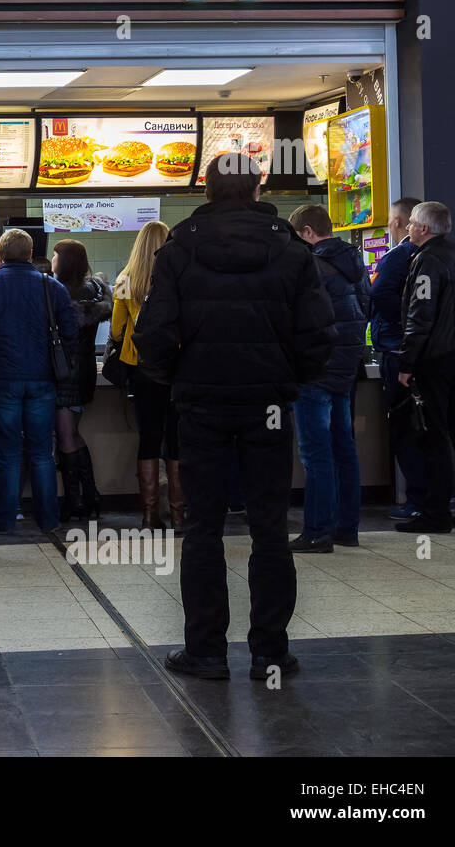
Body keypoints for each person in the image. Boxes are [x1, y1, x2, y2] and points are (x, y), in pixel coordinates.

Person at [135, 153, 336, 681]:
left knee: (203, 527)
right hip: (268, 405)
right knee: (270, 527)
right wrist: (285, 378)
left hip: (201, 403)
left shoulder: (178, 251)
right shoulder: (292, 250)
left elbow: (152, 335)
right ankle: (270, 651)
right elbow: (320, 335)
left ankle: (206, 652)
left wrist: (178, 378)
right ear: (256, 187)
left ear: (206, 187)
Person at [0, 229, 76, 534]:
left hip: (1, 380)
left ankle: (4, 520)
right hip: (42, 380)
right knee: (42, 452)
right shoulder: (52, 288)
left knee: (7, 452)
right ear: (31, 255)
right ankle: (48, 520)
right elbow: (70, 333)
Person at [286, 204, 368, 552]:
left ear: (307, 232)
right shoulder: (357, 265)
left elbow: (300, 319)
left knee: (316, 452)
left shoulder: (312, 267)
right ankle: (347, 528)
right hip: (346, 368)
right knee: (344, 449)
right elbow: (367, 310)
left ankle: (318, 530)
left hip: (315, 371)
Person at [397, 201, 455, 532]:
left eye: (411, 223)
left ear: (424, 229)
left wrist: (407, 361)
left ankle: (436, 513)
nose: (407, 228)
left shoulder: (427, 262)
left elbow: (421, 315)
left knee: (434, 436)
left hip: (435, 360)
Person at [110, 221, 180, 528]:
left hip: (140, 366)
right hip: (176, 365)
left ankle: (150, 514)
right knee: (177, 439)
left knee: (149, 437)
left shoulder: (125, 279)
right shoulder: (177, 276)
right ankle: (179, 513)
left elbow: (115, 329)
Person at [368, 197, 427, 520]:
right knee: (430, 429)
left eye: (392, 219)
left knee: (405, 428)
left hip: (396, 353)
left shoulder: (397, 257)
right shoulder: (445, 257)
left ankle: (417, 500)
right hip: (429, 355)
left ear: (403, 223)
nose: (389, 225)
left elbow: (378, 295)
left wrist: (399, 327)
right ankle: (435, 497)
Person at [51, 239, 114, 521]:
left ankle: (75, 500)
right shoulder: (95, 290)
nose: (52, 261)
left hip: (65, 372)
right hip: (86, 368)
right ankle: (90, 496)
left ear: (64, 261)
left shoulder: (59, 293)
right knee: (73, 433)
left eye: (55, 256)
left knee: (65, 435)